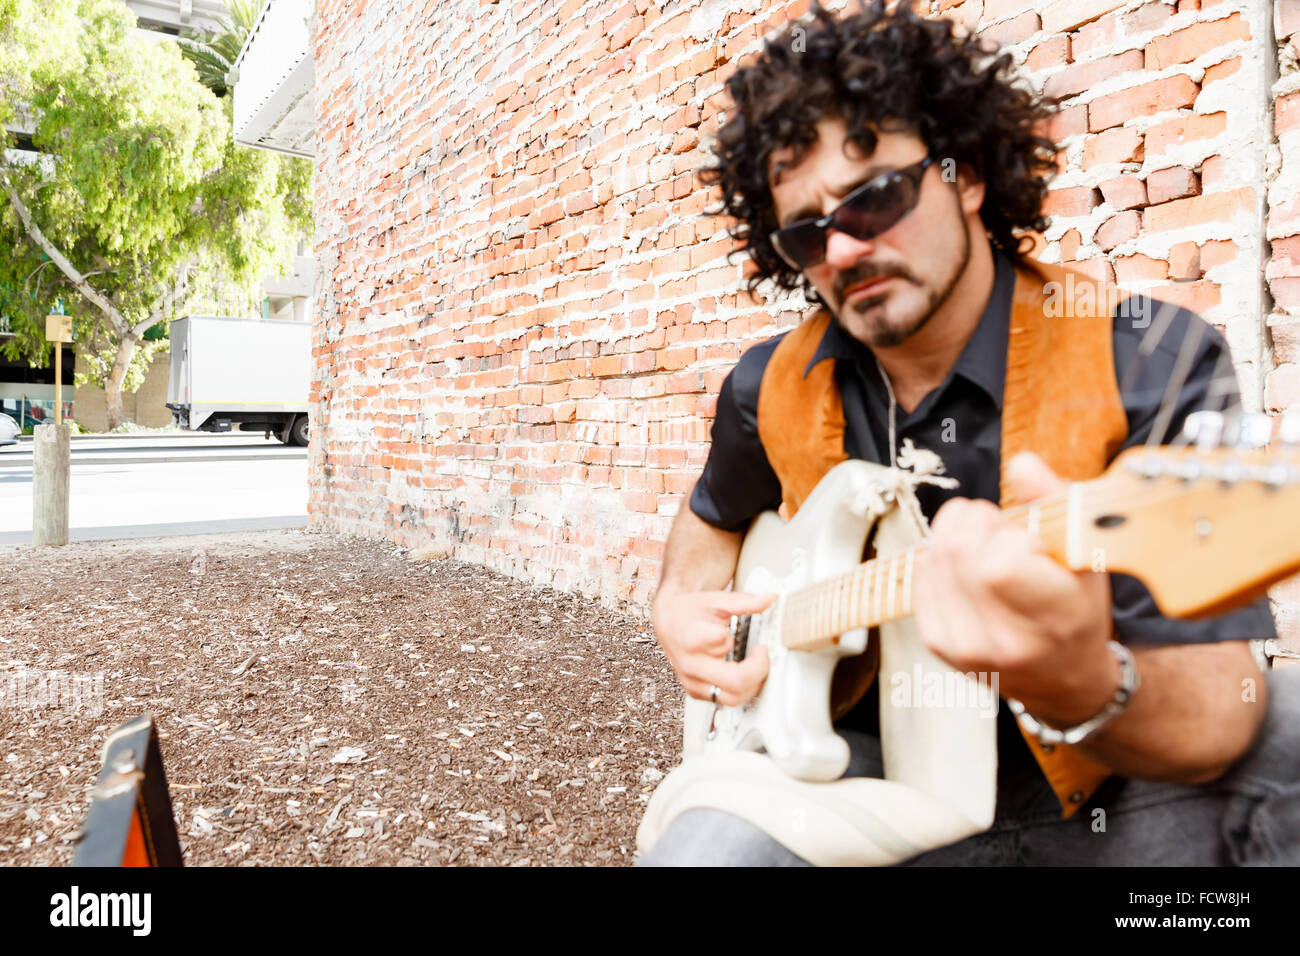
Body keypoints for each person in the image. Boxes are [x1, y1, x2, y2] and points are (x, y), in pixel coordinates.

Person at [638, 0, 1298, 866]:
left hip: (1109, 780)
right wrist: (678, 609)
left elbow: (1218, 706)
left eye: (875, 197)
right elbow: (713, 518)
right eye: (806, 230)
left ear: (968, 176)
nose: (841, 250)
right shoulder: (769, 385)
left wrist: (1075, 678)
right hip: (856, 778)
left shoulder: (1148, 358)